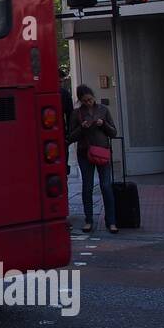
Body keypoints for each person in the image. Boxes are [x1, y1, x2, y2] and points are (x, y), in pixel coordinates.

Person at [66, 85, 118, 234]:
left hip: (102, 152)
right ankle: (89, 220)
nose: (88, 102)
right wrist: (82, 128)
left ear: (93, 96)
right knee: (87, 187)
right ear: (80, 101)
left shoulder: (103, 110)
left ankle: (111, 221)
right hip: (85, 153)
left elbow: (113, 132)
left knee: (106, 186)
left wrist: (104, 124)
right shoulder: (76, 114)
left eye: (90, 99)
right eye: (84, 101)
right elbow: (71, 137)